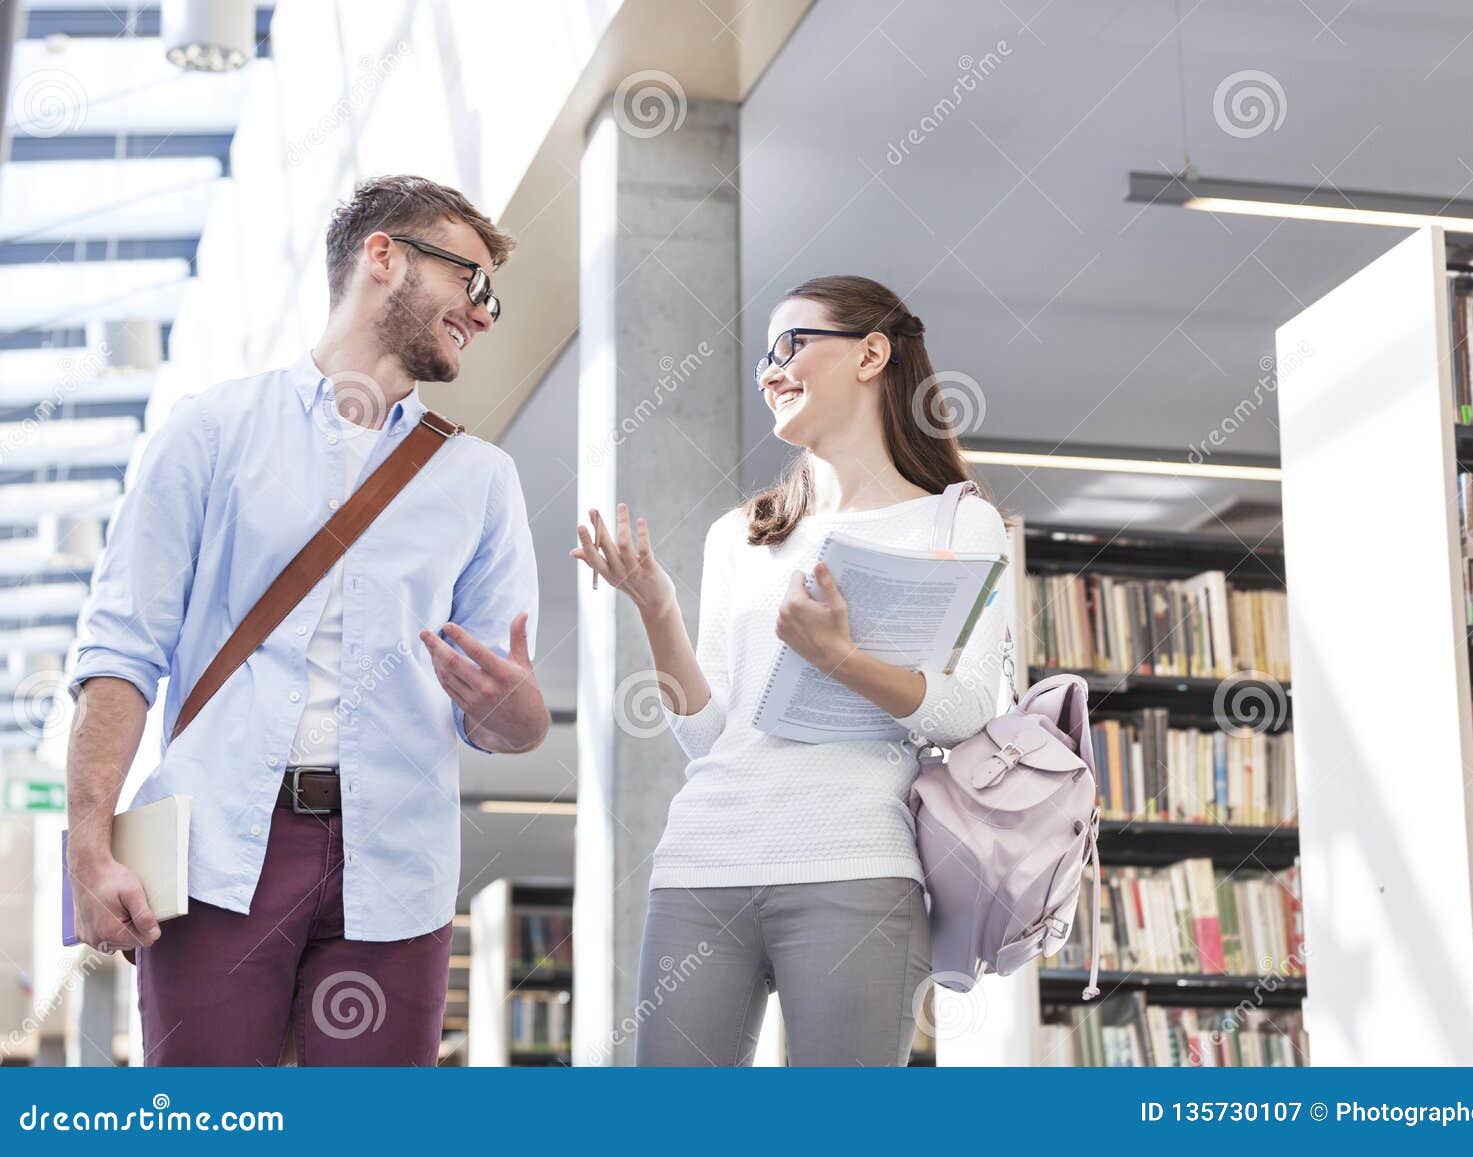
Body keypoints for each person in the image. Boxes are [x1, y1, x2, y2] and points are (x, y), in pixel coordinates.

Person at [64, 174, 551, 1066]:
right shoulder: (211, 430)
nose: (484, 315)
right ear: (383, 256)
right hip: (215, 850)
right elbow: (120, 653)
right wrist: (89, 848)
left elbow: (509, 727)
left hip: (396, 860)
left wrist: (514, 704)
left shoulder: (480, 479)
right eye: (471, 283)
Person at [574, 274, 1009, 1065]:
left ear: (872, 353)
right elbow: (705, 734)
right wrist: (657, 606)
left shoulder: (959, 521)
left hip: (856, 867)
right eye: (762, 359)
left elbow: (969, 709)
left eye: (791, 345)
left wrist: (839, 658)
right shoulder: (739, 535)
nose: (770, 372)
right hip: (703, 864)